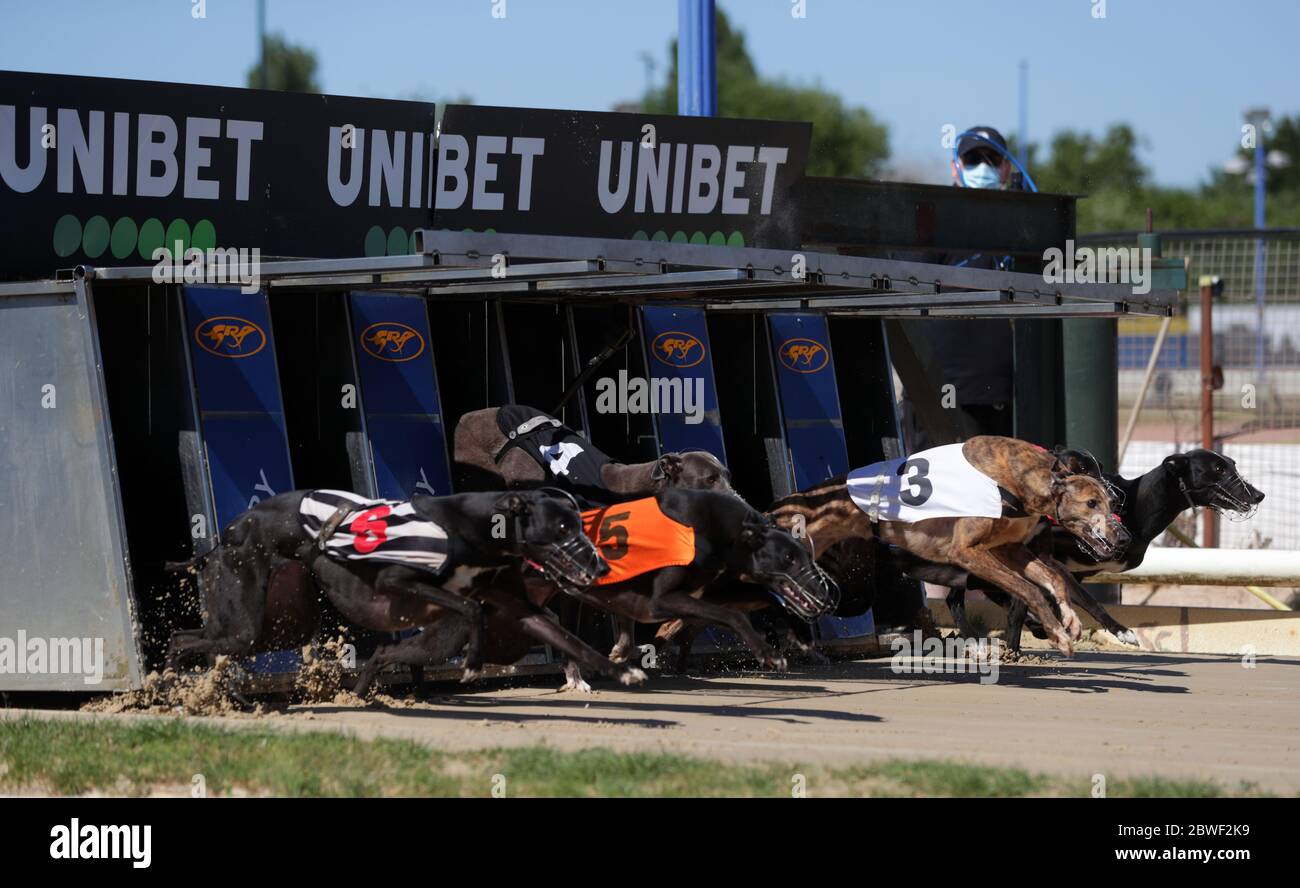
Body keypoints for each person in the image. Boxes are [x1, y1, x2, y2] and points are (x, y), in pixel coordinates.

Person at [902, 125, 1027, 448]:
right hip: (938, 386)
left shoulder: (1023, 224)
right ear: (956, 166)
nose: (982, 167)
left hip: (1002, 390)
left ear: (1006, 167)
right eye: (973, 159)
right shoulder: (932, 217)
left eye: (991, 158)